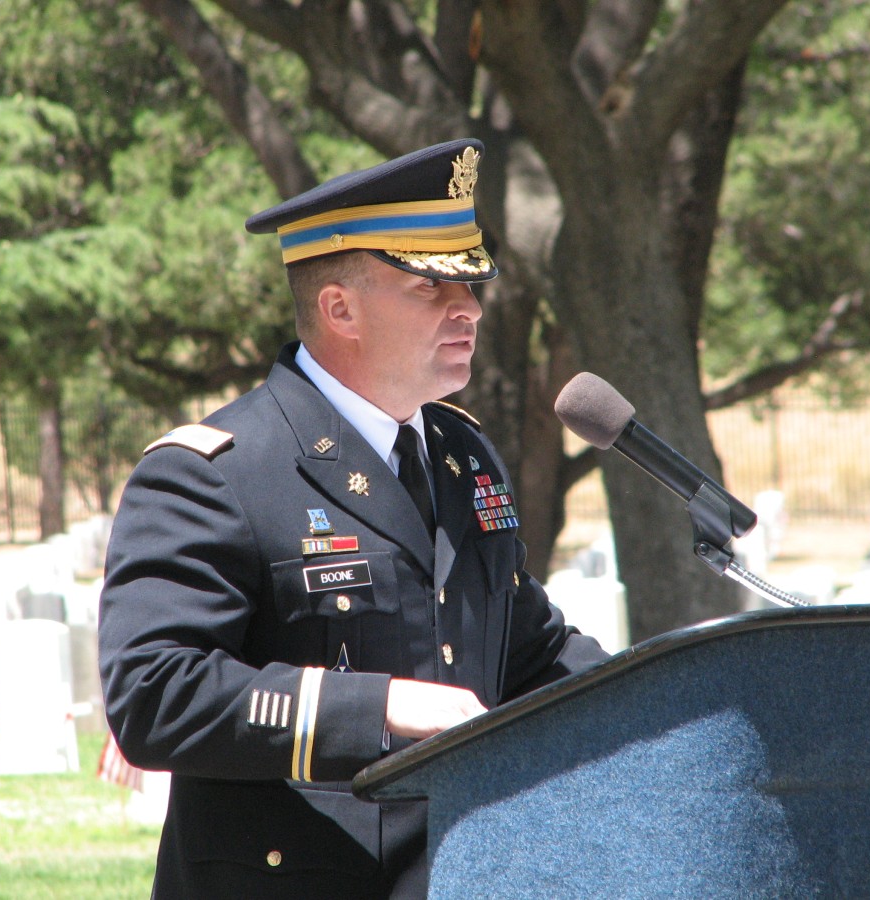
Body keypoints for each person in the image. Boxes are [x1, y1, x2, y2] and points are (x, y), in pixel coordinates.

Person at [98, 138, 609, 899]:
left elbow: (526, 650)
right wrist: (382, 705)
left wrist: (673, 696)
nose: (467, 308)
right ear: (339, 308)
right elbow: (153, 692)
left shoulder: (461, 455)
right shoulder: (215, 472)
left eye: (471, 285)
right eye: (431, 288)